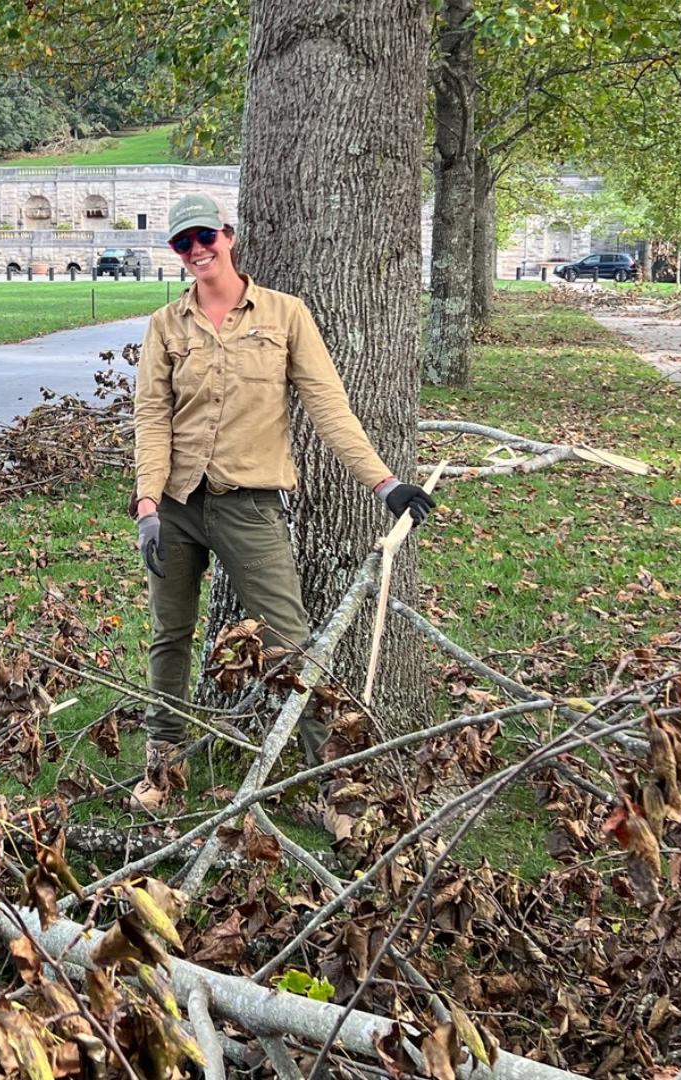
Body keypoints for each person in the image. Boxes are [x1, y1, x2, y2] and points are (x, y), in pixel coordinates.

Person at [130, 193, 436, 807]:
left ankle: (331, 780)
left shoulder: (285, 315)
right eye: (181, 244)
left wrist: (383, 482)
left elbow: (328, 407)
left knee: (289, 642)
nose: (196, 251)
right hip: (177, 507)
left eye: (203, 237)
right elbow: (152, 419)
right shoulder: (166, 326)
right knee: (171, 634)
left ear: (228, 235)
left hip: (251, 506)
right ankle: (163, 763)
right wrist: (146, 507)